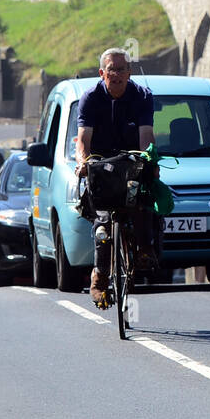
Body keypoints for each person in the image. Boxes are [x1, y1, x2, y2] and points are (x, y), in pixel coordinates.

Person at [74, 47, 157, 308]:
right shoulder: (90, 98)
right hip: (101, 163)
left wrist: (149, 160)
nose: (117, 74)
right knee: (103, 225)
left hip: (131, 158)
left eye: (122, 69)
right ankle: (99, 276)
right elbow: (83, 140)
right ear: (102, 73)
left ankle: (144, 247)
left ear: (129, 73)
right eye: (112, 69)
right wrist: (83, 163)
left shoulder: (142, 96)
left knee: (144, 200)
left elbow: (146, 136)